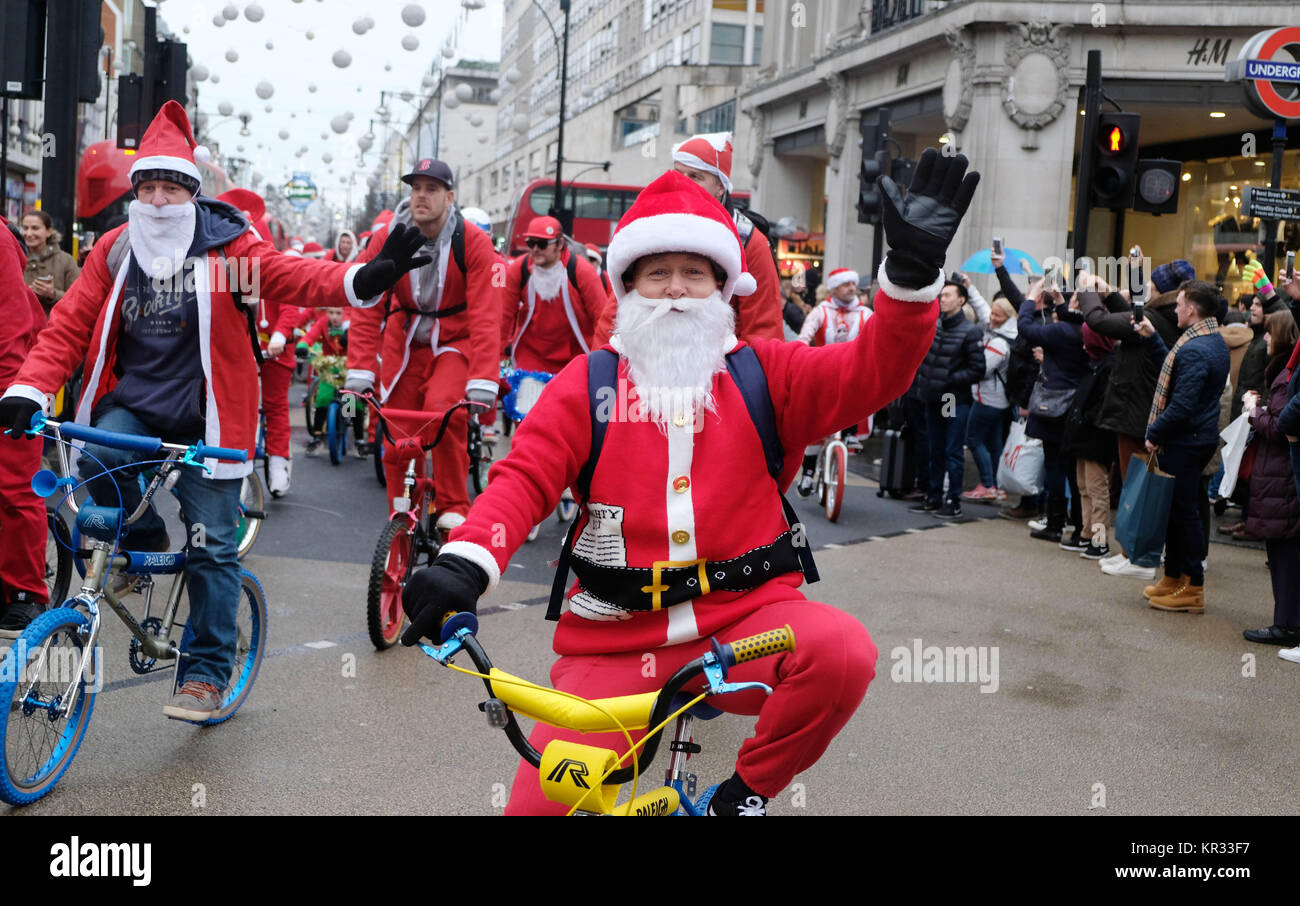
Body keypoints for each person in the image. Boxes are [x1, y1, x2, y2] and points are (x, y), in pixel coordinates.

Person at [398, 151, 980, 815]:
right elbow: (522, 479)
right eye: (657, 274)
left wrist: (908, 283)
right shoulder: (587, 384)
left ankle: (746, 798)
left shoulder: (767, 373)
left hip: (747, 629)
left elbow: (874, 372)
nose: (675, 289)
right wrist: (465, 564)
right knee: (537, 810)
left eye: (693, 274)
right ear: (629, 287)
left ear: (722, 288)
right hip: (613, 643)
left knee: (844, 650)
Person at [0, 101, 427, 717]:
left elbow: (292, 278)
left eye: (172, 186)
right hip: (137, 409)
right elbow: (67, 326)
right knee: (93, 452)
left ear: (193, 193)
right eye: (147, 186)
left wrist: (362, 278)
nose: (158, 200)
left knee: (210, 547)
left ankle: (205, 674)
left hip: (211, 422)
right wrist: (28, 388)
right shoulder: (116, 251)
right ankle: (138, 545)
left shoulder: (230, 251)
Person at [345, 157, 502, 533]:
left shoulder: (474, 242)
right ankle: (402, 513)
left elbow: (486, 315)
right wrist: (360, 369)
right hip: (405, 340)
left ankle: (453, 508)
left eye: (431, 189)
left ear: (450, 197)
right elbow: (367, 305)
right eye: (416, 188)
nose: (421, 196)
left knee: (444, 412)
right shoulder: (385, 237)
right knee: (396, 431)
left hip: (454, 340)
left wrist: (483, 379)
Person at [591, 132, 784, 345]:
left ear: (721, 187)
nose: (684, 183)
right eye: (679, 173)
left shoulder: (749, 241)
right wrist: (603, 373)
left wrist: (739, 375)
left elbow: (764, 329)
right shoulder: (653, 228)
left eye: (695, 176)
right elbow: (616, 313)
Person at [1137, 280, 1230, 613]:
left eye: (1178, 304)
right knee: (1178, 513)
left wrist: (1155, 432)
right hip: (1195, 440)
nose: (1174, 309)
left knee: (1183, 515)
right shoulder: (1207, 341)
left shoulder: (1196, 347)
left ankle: (1192, 587)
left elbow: (1182, 405)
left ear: (1191, 309)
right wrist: (1154, 340)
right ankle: (1173, 578)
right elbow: (1181, 372)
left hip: (1186, 442)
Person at [217, 188, 301, 497]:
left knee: (276, 406)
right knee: (242, 409)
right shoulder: (228, 271)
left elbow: (292, 304)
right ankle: (240, 466)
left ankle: (278, 461)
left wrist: (280, 335)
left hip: (276, 351)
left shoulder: (275, 266)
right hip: (244, 354)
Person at [0, 216, 49, 637]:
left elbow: (12, 327)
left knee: (16, 488)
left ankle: (26, 594)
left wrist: (14, 393)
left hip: (13, 382)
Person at [1241, 312, 1300, 646]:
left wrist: (1253, 411)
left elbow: (1279, 428)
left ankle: (1288, 623)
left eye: (1268, 333)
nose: (1264, 339)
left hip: (1281, 474)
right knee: (1283, 550)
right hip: (1280, 473)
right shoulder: (1285, 369)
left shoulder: (1288, 374)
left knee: (1284, 552)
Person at [794, 267, 873, 492]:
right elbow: (805, 335)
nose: (851, 288)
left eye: (853, 283)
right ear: (834, 287)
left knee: (859, 404)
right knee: (816, 426)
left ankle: (849, 436)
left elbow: (876, 339)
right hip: (824, 375)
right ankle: (808, 473)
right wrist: (799, 350)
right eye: (846, 284)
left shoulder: (865, 314)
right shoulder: (821, 311)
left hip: (852, 376)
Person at [501, 216, 606, 375]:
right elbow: (503, 316)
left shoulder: (582, 271)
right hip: (531, 357)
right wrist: (498, 355)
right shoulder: (519, 269)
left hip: (576, 358)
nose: (535, 249)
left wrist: (600, 360)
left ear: (560, 244)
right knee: (529, 399)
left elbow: (602, 317)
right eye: (531, 243)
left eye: (542, 244)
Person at [962, 293, 1017, 503]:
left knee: (974, 440)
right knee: (994, 445)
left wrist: (968, 359)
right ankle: (996, 485)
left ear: (1008, 318)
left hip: (987, 400)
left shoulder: (999, 342)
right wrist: (971, 288)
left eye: (998, 315)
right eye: (992, 314)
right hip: (997, 400)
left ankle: (987, 484)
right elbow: (984, 310)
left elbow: (982, 369)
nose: (992, 318)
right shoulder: (1005, 333)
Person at [298, 308, 367, 456]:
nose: (334, 317)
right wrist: (302, 346)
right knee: (322, 398)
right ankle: (316, 438)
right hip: (329, 368)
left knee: (352, 402)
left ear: (346, 313)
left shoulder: (352, 324)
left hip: (349, 366)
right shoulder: (323, 323)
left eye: (338, 313)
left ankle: (359, 440)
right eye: (331, 312)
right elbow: (310, 336)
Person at [20, 210, 80, 315]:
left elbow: (78, 300)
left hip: (53, 326)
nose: (28, 233)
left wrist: (52, 293)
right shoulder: (16, 257)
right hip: (21, 325)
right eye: (25, 228)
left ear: (48, 231)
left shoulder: (66, 261)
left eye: (35, 228)